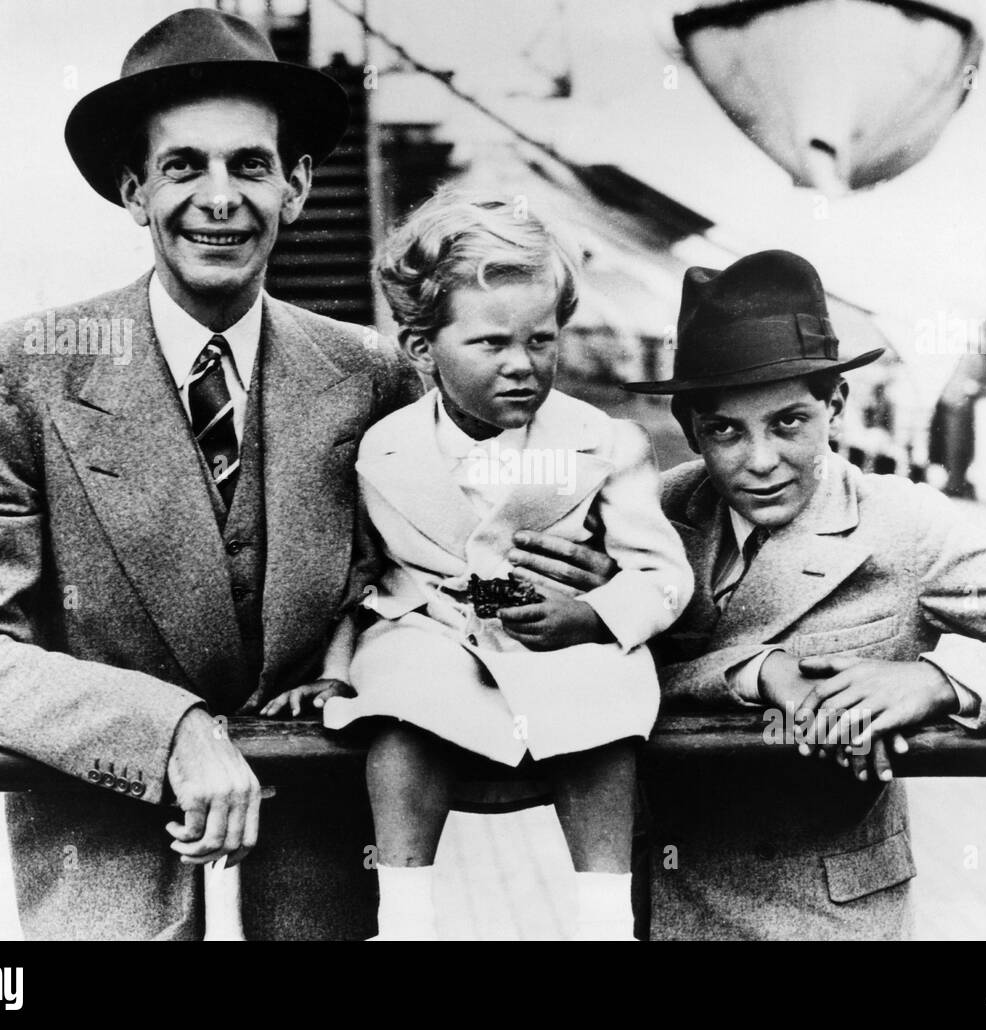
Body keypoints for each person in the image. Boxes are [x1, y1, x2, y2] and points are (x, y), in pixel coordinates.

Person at [0, 8, 421, 940]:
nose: (219, 198)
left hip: (316, 886)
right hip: (105, 879)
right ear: (135, 188)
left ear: (296, 187)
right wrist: (167, 729)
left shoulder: (374, 379)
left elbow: (416, 590)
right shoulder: (15, 375)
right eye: (184, 166)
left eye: (250, 165)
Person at [521, 249, 986, 940]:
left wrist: (939, 681)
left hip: (834, 922)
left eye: (789, 422)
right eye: (725, 430)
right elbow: (571, 677)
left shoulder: (903, 525)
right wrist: (743, 668)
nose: (759, 460)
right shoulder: (646, 516)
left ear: (836, 406)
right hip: (671, 909)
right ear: (688, 426)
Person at [285, 192, 693, 940]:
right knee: (398, 705)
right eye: (491, 344)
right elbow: (364, 580)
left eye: (542, 341)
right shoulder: (382, 451)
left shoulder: (604, 443)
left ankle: (605, 916)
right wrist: (336, 670)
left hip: (560, 637)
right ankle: (404, 914)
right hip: (434, 633)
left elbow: (663, 575)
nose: (523, 366)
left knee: (607, 694)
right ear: (420, 348)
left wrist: (594, 615)